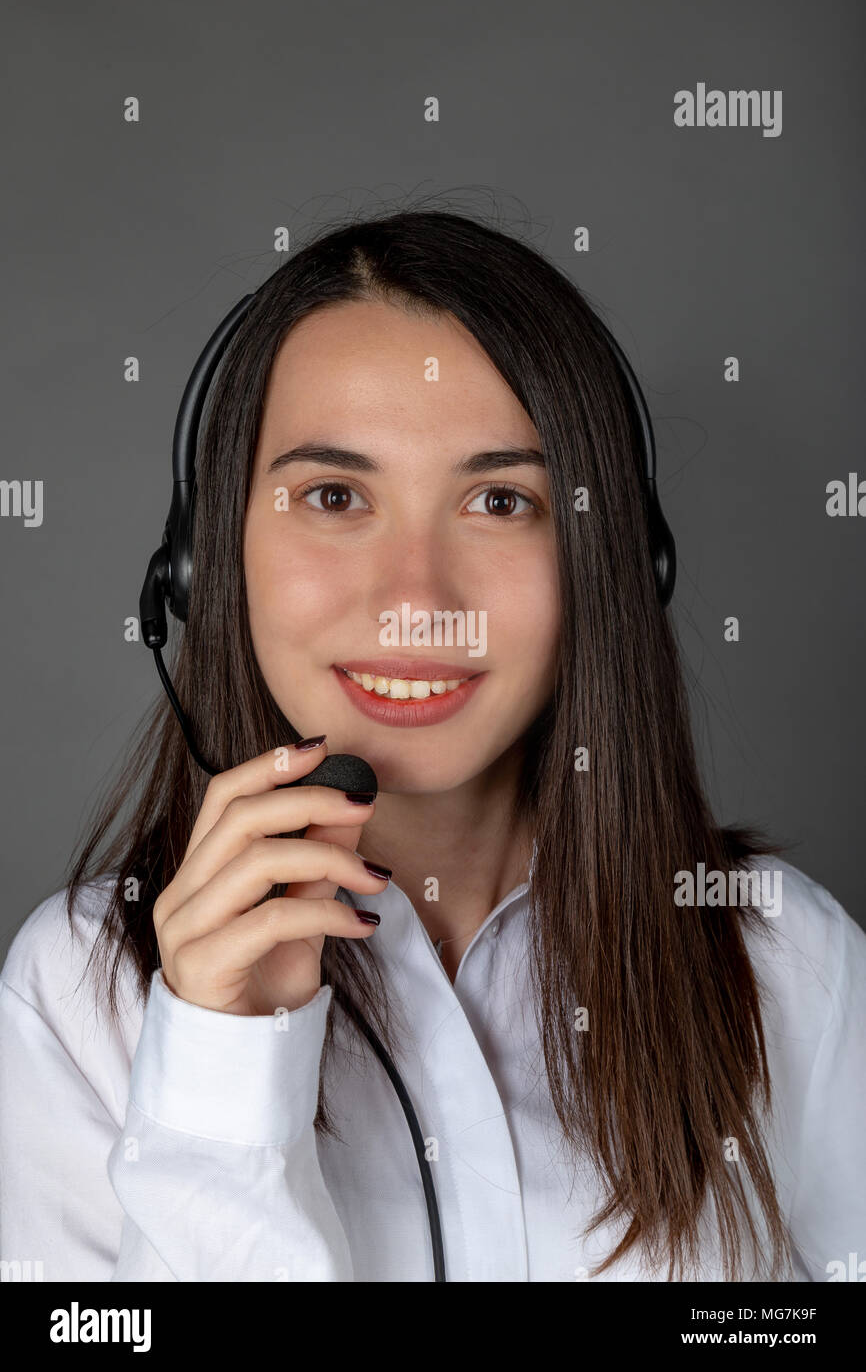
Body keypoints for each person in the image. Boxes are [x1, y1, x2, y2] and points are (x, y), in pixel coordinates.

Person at [1, 207, 863, 1283]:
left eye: (499, 500)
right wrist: (218, 1071)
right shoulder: (78, 1001)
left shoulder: (790, 967)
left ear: (614, 566)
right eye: (332, 496)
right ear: (205, 560)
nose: (416, 601)